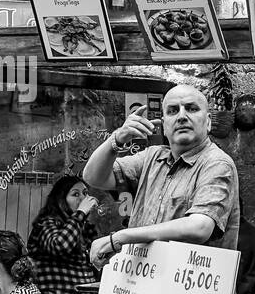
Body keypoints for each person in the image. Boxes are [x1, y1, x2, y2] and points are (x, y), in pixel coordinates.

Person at [82, 83, 240, 266]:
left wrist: (121, 237)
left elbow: (200, 227)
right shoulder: (152, 157)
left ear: (209, 121)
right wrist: (117, 138)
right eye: (173, 111)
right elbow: (93, 177)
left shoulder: (216, 163)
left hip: (190, 292)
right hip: (145, 285)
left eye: (192, 109)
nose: (182, 116)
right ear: (164, 126)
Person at [27, 175, 100, 294]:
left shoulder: (84, 228)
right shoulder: (47, 223)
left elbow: (96, 261)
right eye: (75, 194)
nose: (83, 198)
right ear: (61, 200)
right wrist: (80, 213)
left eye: (85, 193)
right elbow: (59, 246)